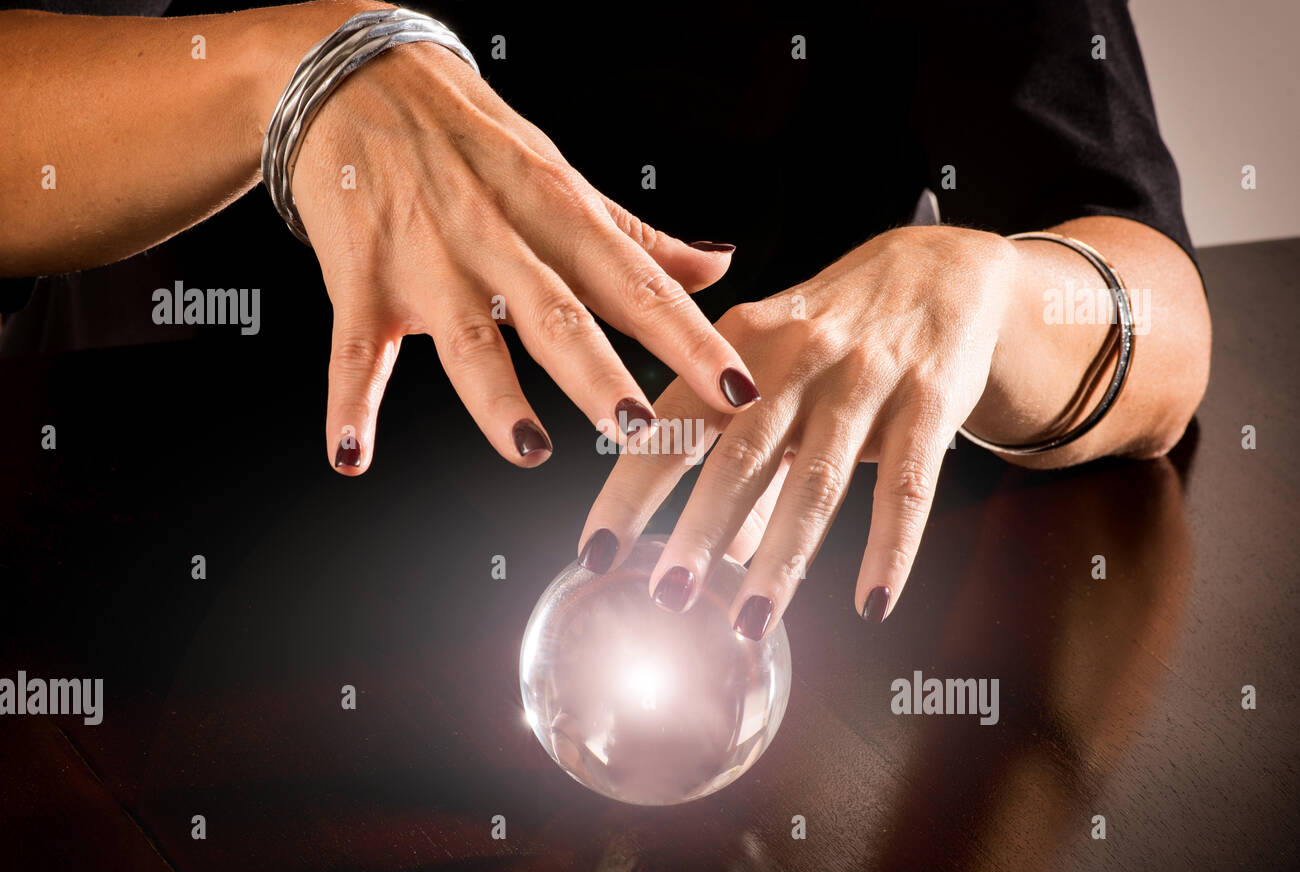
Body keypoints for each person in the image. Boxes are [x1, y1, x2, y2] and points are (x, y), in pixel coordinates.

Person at [0, 1, 1211, 638]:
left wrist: (994, 291)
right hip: (160, 601)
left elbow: (1154, 305)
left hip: (733, 595)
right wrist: (291, 73)